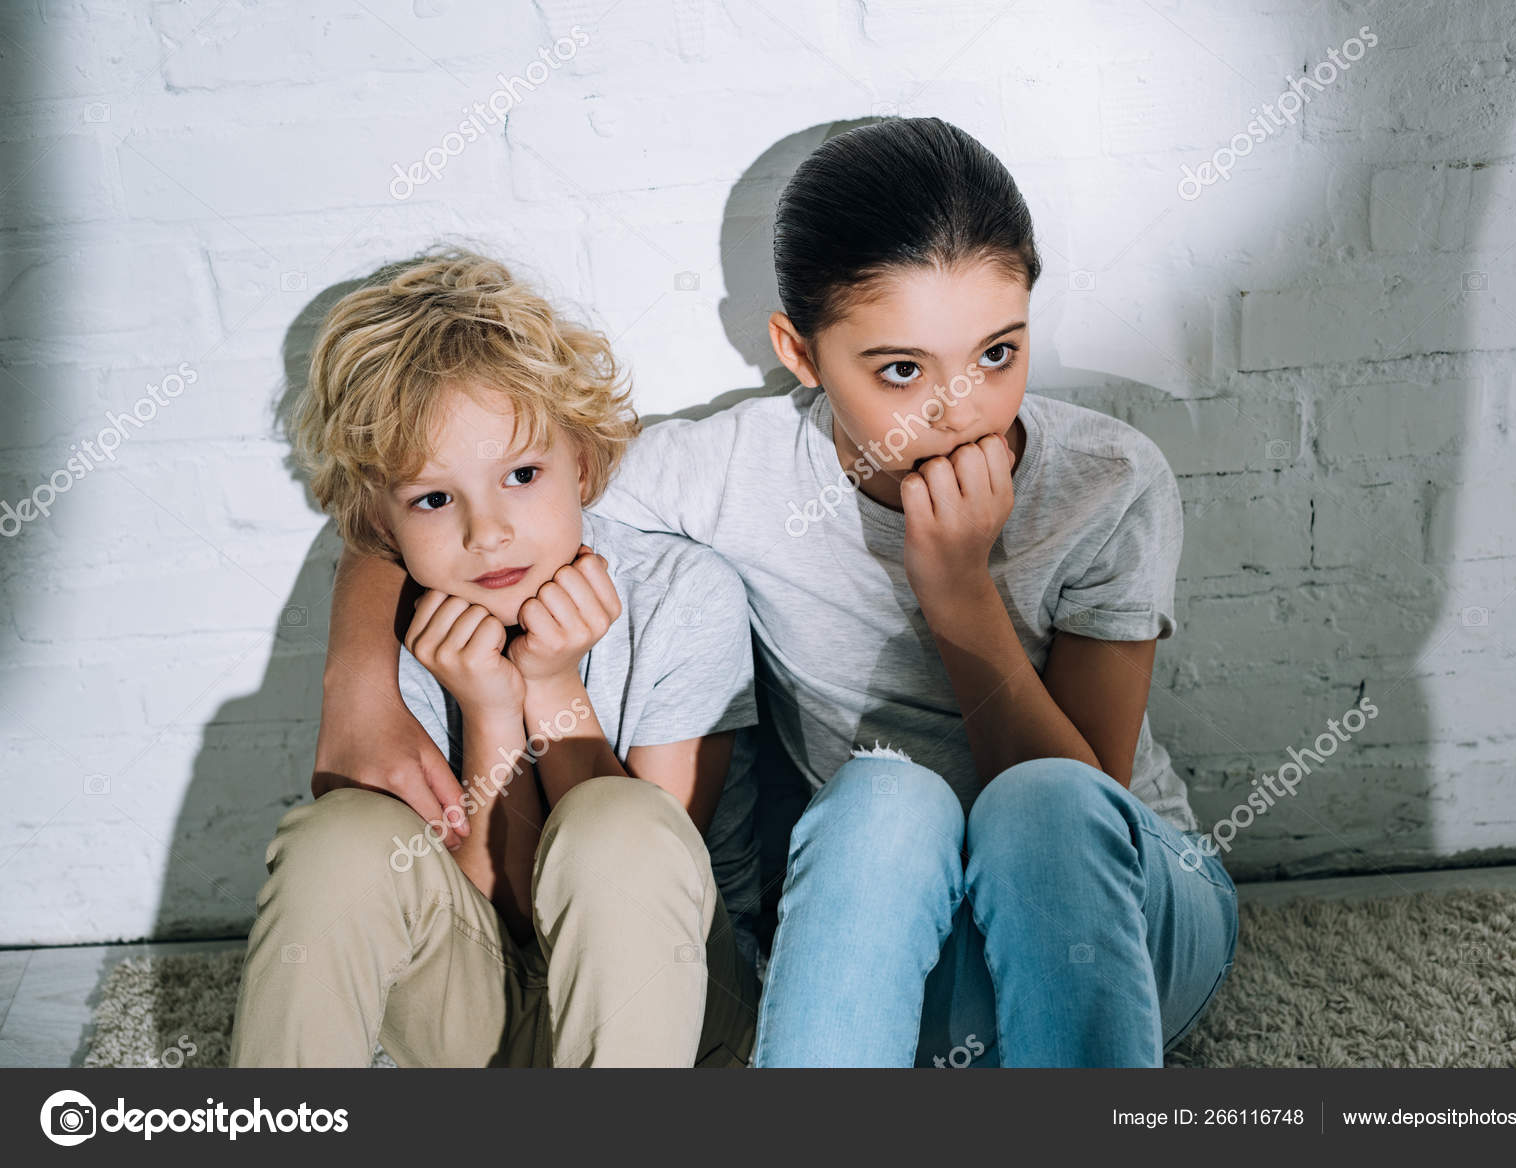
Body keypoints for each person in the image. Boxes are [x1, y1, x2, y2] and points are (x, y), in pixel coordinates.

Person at [309, 118, 1238, 1067]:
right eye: (903, 370)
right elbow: (459, 491)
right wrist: (359, 690)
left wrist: (958, 592)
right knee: (881, 797)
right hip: (893, 936)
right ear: (800, 353)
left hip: (1120, 925)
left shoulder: (1109, 481)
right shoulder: (736, 472)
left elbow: (1084, 799)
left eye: (998, 353)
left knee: (1041, 807)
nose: (962, 410)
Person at [230, 250, 761, 1068]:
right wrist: (488, 711)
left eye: (521, 473)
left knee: (616, 822)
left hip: (674, 1019)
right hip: (484, 1020)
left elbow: (637, 891)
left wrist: (550, 686)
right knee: (338, 841)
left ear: (581, 464)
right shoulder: (414, 635)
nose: (488, 533)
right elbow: (505, 911)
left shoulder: (687, 597)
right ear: (383, 522)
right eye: (435, 499)